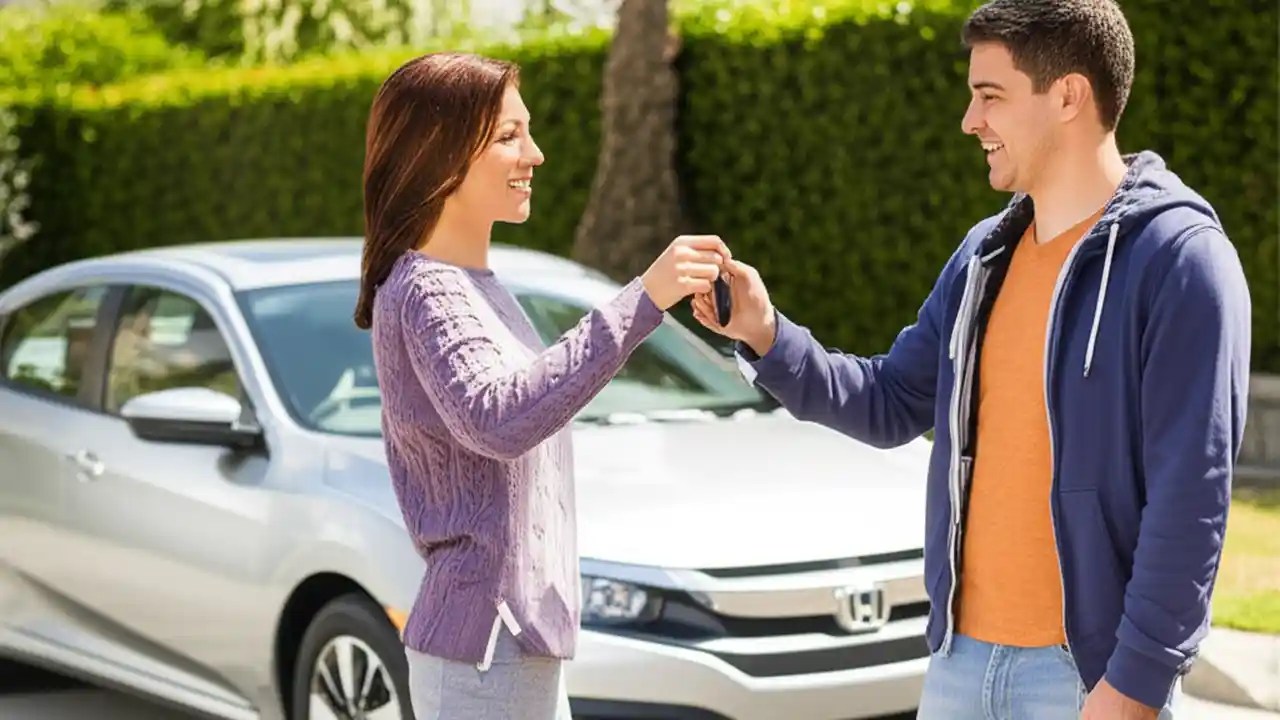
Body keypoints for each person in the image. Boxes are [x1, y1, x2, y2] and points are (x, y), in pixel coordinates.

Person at [692, 1, 1251, 718]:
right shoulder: (985, 256)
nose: (968, 120)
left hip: (1084, 680)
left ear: (1069, 96)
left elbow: (1192, 497)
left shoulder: (1179, 261)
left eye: (990, 96)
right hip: (959, 666)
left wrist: (1134, 684)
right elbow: (890, 400)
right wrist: (768, 334)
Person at [356, 52, 729, 719]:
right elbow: (501, 419)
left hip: (513, 644)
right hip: (482, 647)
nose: (536, 153)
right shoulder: (425, 290)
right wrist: (645, 297)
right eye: (509, 135)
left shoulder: (478, 290)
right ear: (441, 153)